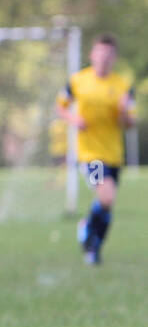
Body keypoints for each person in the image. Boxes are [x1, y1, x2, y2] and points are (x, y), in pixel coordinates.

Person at [56, 33, 137, 264]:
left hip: (114, 154)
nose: (104, 58)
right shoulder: (78, 81)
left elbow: (131, 123)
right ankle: (89, 236)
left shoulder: (122, 86)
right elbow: (60, 107)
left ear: (114, 58)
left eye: (109, 54)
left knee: (107, 204)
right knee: (106, 195)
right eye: (100, 53)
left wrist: (123, 112)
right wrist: (74, 119)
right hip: (89, 154)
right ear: (92, 55)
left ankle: (93, 245)